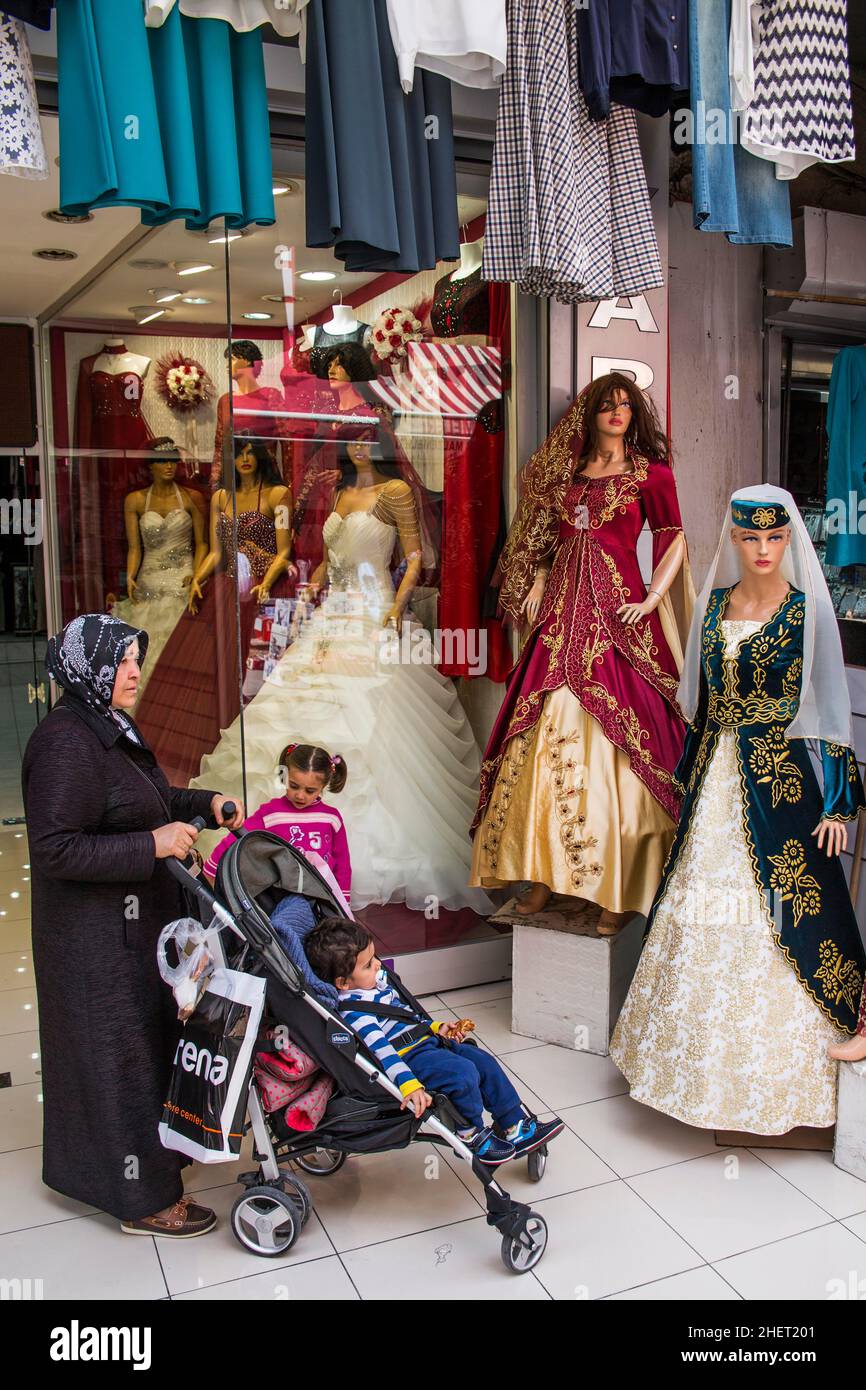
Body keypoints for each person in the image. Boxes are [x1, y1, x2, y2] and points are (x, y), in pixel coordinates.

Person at [610, 487, 866, 1134]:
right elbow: (699, 706)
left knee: (790, 907)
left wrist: (837, 801)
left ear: (788, 539)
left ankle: (791, 1075)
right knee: (699, 903)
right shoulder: (716, 605)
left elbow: (830, 712)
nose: (761, 549)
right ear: (733, 537)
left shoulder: (808, 612)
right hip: (715, 776)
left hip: (778, 778)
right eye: (750, 537)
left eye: (773, 537)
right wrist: (684, 782)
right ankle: (688, 1069)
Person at [190, 426, 491, 914]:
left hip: (373, 613)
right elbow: (331, 560)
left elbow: (413, 558)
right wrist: (313, 585)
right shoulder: (340, 491)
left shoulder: (394, 492)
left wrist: (397, 606)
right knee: (292, 704)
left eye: (367, 443)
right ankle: (282, 826)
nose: (358, 450)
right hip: (332, 615)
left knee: (370, 719)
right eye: (352, 443)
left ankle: (353, 842)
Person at [22, 614, 244, 1236]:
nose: (134, 672)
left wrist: (204, 806)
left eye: (134, 660)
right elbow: (57, 849)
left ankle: (147, 1166)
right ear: (87, 669)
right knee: (116, 1061)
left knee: (142, 1053)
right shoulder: (66, 741)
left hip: (132, 933)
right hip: (93, 943)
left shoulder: (106, 724)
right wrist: (152, 844)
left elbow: (144, 797)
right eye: (121, 661)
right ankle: (141, 1199)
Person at [470, 373, 694, 932]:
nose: (617, 413)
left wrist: (651, 600)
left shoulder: (650, 474)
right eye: (606, 405)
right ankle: (541, 876)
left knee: (619, 746)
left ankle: (617, 888)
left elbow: (673, 536)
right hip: (561, 618)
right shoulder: (566, 476)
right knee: (541, 740)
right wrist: (539, 578)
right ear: (589, 414)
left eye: (625, 405)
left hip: (617, 618)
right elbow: (547, 542)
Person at [305, 916, 564, 1164]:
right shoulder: (356, 1013)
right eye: (367, 965)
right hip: (411, 1058)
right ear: (342, 983)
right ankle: (470, 1134)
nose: (378, 965)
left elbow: (407, 1019)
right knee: (463, 1074)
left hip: (428, 1042)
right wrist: (409, 1085)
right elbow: (384, 1053)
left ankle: (514, 1124)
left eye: (374, 958)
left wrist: (439, 1027)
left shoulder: (378, 989)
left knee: (483, 1061)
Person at [134, 437, 294, 785]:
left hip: (263, 593)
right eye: (239, 453)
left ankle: (254, 755)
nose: (246, 459)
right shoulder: (222, 498)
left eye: (252, 452)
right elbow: (218, 552)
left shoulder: (278, 495)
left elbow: (285, 550)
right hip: (227, 590)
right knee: (214, 673)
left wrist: (267, 581)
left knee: (255, 674)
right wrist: (198, 577)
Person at [203, 741, 351, 902]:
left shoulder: (331, 818)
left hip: (323, 893)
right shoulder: (271, 813)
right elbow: (238, 836)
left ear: (323, 785)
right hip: (284, 894)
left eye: (310, 790)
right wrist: (211, 868)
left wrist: (343, 901)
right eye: (294, 786)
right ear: (284, 777)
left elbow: (342, 863)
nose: (300, 795)